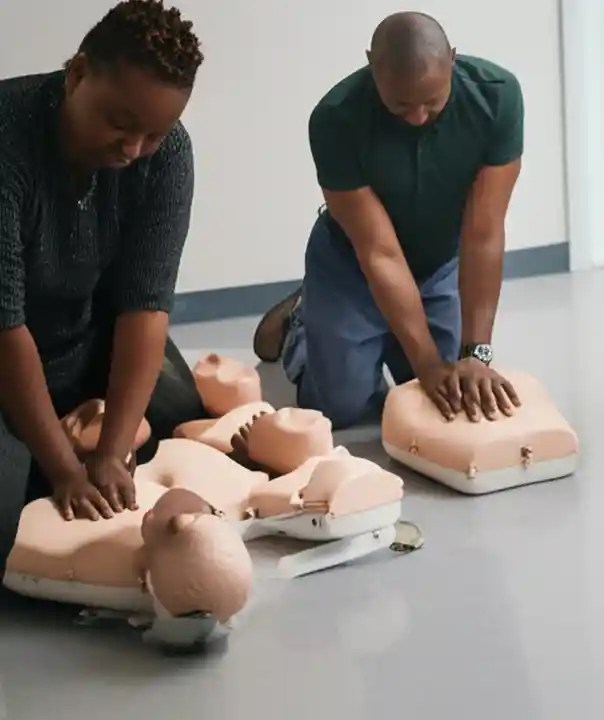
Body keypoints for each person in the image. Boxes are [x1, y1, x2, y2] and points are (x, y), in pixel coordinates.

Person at [251, 12, 524, 429]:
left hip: (437, 264)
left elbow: (483, 234)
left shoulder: (497, 98)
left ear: (452, 59)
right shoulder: (335, 118)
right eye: (400, 105)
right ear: (371, 65)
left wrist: (476, 354)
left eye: (432, 103)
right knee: (339, 409)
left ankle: (379, 337)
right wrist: (428, 362)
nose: (417, 117)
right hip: (351, 266)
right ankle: (300, 324)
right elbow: (379, 252)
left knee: (447, 391)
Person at [0, 0, 206, 549]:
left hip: (83, 335)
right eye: (120, 124)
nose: (134, 149)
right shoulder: (8, 140)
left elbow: (145, 307)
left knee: (181, 414)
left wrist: (113, 452)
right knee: (7, 513)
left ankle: (75, 433)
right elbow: (6, 328)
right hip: (10, 345)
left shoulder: (168, 154)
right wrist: (66, 471)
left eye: (154, 133)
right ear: (77, 74)